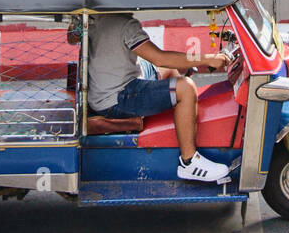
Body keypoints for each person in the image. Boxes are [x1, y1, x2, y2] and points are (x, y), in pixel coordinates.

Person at [87, 12, 231, 183]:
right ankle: (189, 161)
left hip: (104, 90)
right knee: (185, 87)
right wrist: (207, 59)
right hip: (117, 98)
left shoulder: (97, 17)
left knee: (166, 72)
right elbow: (160, 58)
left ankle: (184, 113)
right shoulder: (125, 24)